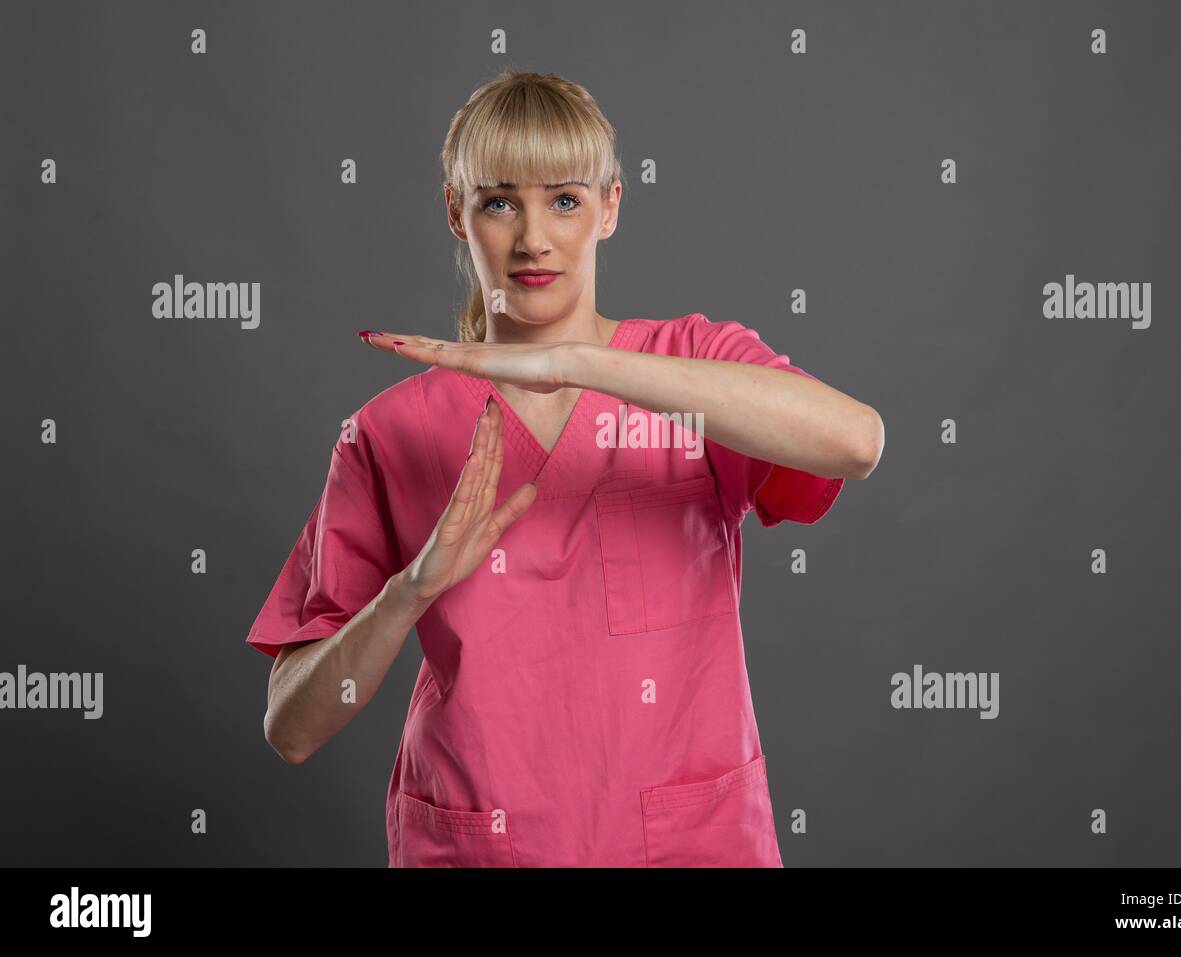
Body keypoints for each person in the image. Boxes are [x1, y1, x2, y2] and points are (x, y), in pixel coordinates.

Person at [245, 69, 884, 867]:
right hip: (481, 846)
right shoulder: (391, 433)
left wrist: (584, 361)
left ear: (611, 206)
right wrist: (407, 592)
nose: (533, 239)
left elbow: (856, 440)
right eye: (499, 201)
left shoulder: (696, 366)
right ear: (456, 212)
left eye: (566, 201)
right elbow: (293, 728)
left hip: (689, 845)